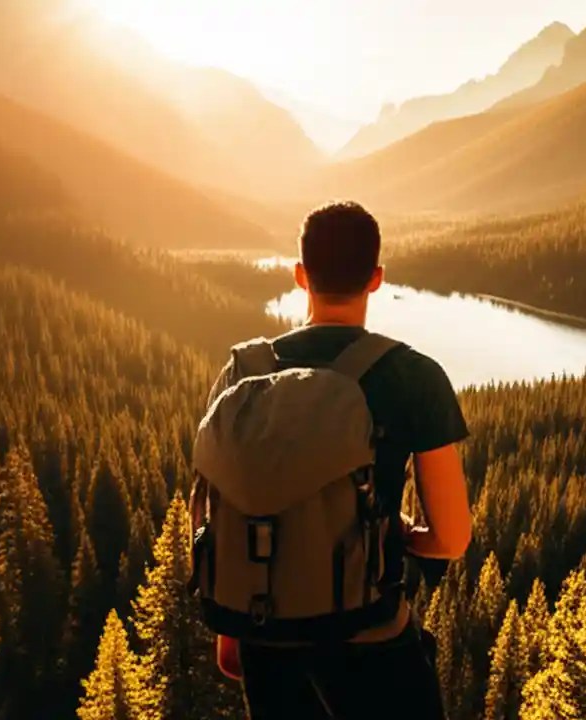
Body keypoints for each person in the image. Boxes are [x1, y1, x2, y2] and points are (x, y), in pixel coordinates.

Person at [197, 201, 472, 719]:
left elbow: (224, 507)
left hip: (265, 638)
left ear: (301, 275)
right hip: (373, 636)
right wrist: (399, 532)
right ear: (376, 278)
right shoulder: (414, 376)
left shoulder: (243, 372)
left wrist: (236, 626)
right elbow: (452, 537)